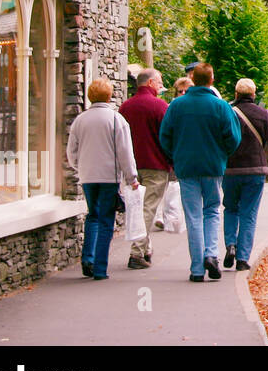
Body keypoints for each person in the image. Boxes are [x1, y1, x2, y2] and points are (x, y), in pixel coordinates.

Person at [159, 63, 240, 283]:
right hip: (213, 166)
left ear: (193, 79)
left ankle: (196, 268)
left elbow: (164, 136)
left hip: (186, 167)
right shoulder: (221, 107)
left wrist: (175, 156)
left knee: (193, 216)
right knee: (212, 210)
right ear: (211, 80)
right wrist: (222, 154)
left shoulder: (176, 106)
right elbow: (233, 138)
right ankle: (211, 254)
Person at [66, 78, 138, 280]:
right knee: (106, 219)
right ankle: (99, 268)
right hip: (109, 176)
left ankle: (87, 259)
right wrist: (131, 177)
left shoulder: (80, 120)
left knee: (93, 215)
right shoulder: (116, 120)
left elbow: (71, 151)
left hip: (88, 175)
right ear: (109, 95)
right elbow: (125, 152)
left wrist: (79, 167)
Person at [223, 78, 268, 271]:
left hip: (230, 170)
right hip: (256, 170)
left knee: (231, 209)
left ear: (236, 94)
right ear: (254, 95)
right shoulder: (264, 114)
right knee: (249, 213)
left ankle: (230, 244)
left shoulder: (228, 113)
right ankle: (242, 259)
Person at [119, 68, 171, 268]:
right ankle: (137, 252)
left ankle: (146, 248)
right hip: (156, 164)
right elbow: (167, 137)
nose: (160, 86)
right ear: (149, 83)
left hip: (131, 165)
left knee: (137, 208)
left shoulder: (125, 107)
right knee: (148, 208)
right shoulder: (159, 107)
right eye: (159, 83)